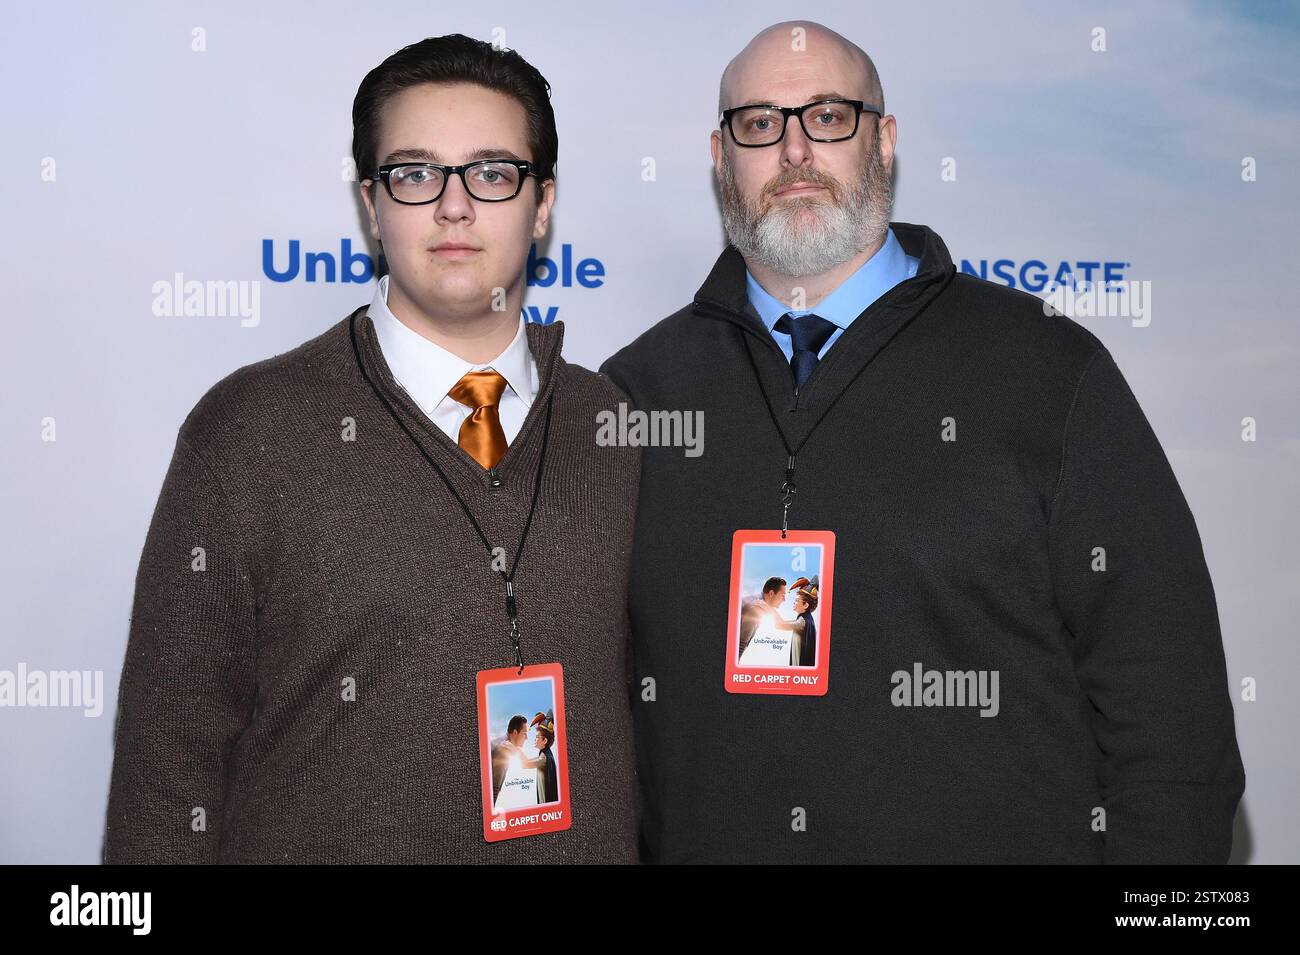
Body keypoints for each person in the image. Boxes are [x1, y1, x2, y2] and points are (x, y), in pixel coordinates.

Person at [600, 20, 1245, 863]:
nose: (794, 150)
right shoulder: (634, 395)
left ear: (886, 141)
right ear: (721, 158)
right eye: (759, 124)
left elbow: (1173, 725)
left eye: (829, 116)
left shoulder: (1048, 370)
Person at [104, 34, 640, 863]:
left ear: (542, 205)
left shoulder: (613, 426)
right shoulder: (248, 431)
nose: (454, 207)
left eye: (493, 172)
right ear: (371, 203)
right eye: (416, 173)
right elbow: (166, 777)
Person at [763, 577, 818, 667]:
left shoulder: (803, 622)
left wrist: (769, 608)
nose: (794, 602)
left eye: (797, 600)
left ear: (806, 605)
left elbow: (779, 625)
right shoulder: (806, 619)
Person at [738, 576, 786, 657]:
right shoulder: (756, 609)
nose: (784, 599)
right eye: (782, 595)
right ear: (771, 593)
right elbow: (740, 646)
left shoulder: (758, 603)